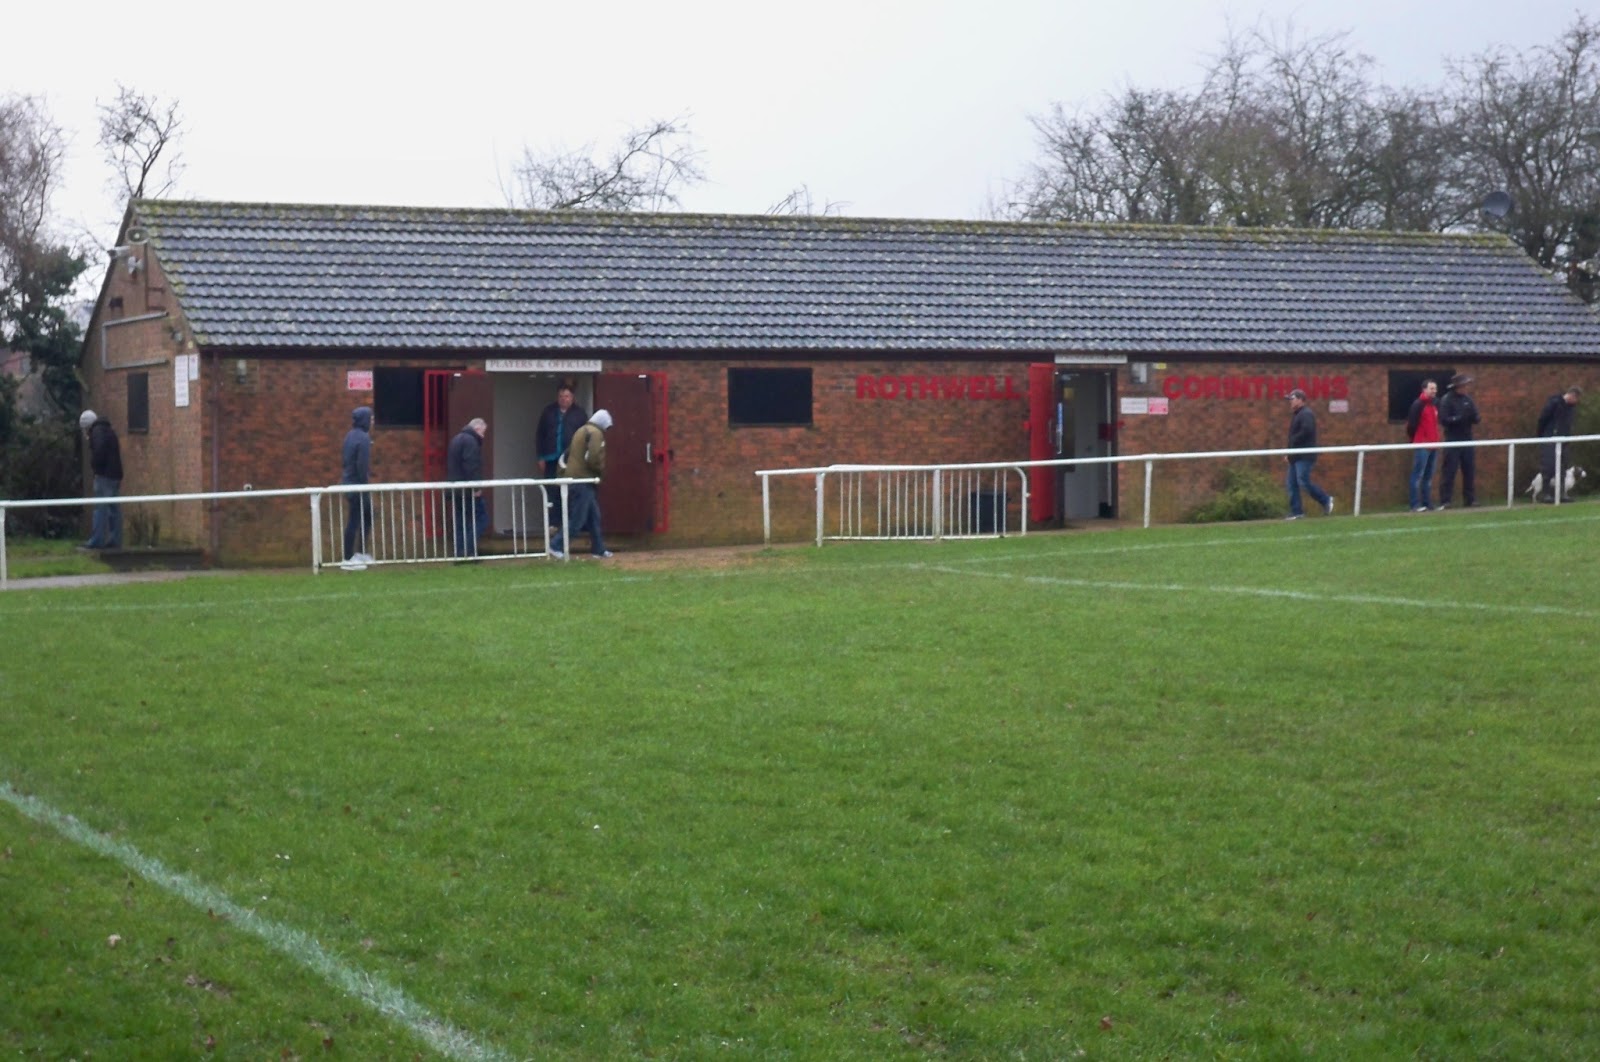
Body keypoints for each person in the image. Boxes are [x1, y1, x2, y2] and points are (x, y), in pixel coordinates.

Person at [550, 409, 614, 558]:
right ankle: (555, 545)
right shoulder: (596, 433)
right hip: (584, 480)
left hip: (575, 479)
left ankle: (599, 549)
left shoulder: (581, 431)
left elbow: (569, 454)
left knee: (593, 517)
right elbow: (593, 457)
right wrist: (599, 472)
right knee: (578, 519)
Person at [536, 384, 588, 530]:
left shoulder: (580, 414)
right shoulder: (548, 412)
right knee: (552, 490)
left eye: (566, 396)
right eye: (561, 396)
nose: (563, 399)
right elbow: (540, 435)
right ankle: (553, 522)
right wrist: (540, 457)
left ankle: (571, 523)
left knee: (570, 491)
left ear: (572, 398)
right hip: (551, 458)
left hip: (571, 460)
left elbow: (585, 437)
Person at [1284, 389, 1333, 521]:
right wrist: (1289, 453)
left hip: (1305, 456)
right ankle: (1297, 512)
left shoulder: (1306, 414)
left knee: (1303, 481)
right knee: (1291, 483)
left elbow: (1307, 431)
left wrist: (1293, 442)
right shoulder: (1297, 414)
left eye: (1292, 398)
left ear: (1300, 399)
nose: (1290, 401)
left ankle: (1326, 500)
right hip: (1295, 456)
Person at [80, 410, 123, 549]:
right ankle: (115, 539)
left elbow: (99, 452)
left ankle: (96, 540)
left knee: (100, 508)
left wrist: (95, 468)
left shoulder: (97, 432)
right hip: (115, 474)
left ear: (87, 426)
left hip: (104, 475)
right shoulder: (108, 430)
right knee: (113, 508)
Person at [1436, 374, 1481, 509]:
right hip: (1453, 440)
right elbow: (1443, 419)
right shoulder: (1447, 400)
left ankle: (1470, 499)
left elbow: (1476, 416)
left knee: (1469, 470)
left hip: (1467, 440)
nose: (1466, 388)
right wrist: (1458, 419)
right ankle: (1445, 500)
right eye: (1464, 385)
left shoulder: (1468, 399)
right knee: (1449, 471)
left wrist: (1474, 418)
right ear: (1457, 386)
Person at [446, 417, 489, 558]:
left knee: (460, 522)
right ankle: (468, 550)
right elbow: (471, 466)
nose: (483, 436)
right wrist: (476, 487)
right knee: (481, 519)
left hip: (456, 489)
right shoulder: (471, 442)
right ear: (477, 429)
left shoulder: (456, 439)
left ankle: (460, 552)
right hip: (468, 490)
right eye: (483, 432)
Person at [340, 406, 374, 570]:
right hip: (357, 485)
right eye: (371, 418)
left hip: (348, 482)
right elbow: (362, 464)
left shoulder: (349, 436)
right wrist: (364, 484)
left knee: (367, 515)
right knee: (355, 519)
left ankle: (359, 553)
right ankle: (348, 557)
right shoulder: (363, 438)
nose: (372, 421)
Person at [1535, 386, 1582, 502]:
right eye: (1576, 399)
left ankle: (1561, 493)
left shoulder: (1571, 408)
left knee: (1563, 467)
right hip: (1550, 439)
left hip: (1564, 440)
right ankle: (1545, 493)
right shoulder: (1554, 403)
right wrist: (1542, 436)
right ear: (1572, 395)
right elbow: (1542, 419)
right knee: (1549, 466)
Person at [1405, 379, 1442, 512]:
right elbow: (1411, 425)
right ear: (1424, 389)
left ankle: (1427, 503)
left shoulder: (1435, 405)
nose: (1434, 391)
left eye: (1435, 388)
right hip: (1422, 445)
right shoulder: (1418, 405)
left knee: (1428, 476)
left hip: (1433, 445)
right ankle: (1415, 505)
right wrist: (1415, 440)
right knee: (1417, 475)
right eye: (1432, 388)